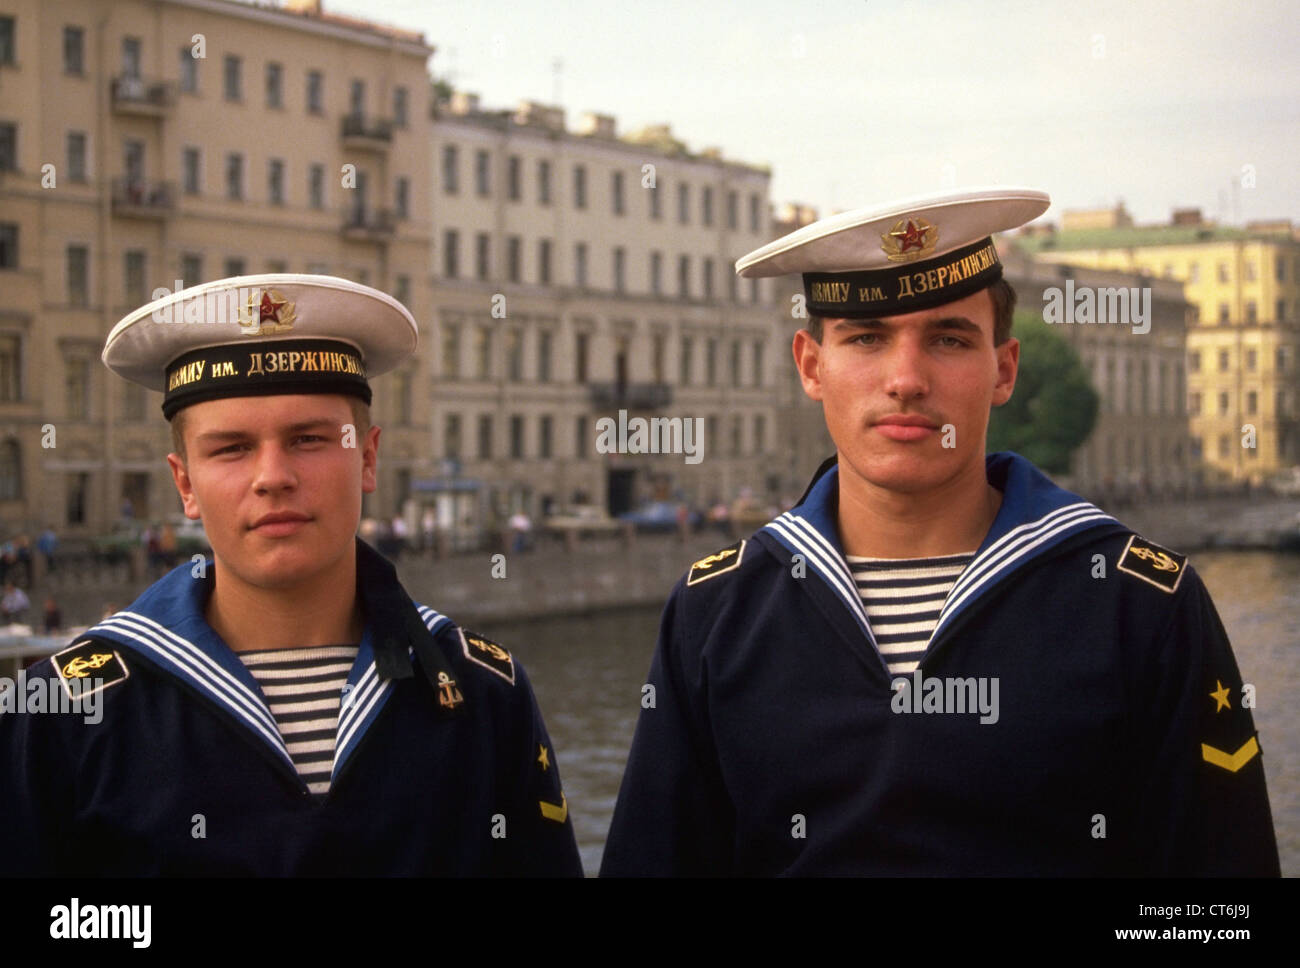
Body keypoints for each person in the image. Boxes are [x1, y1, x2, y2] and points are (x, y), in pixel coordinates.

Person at [600, 188, 1280, 876]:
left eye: (948, 339)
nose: (906, 380)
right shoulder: (716, 611)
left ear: (1003, 370)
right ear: (811, 366)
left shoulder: (1142, 605)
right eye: (867, 337)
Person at [0, 274, 581, 876]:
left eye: (308, 439)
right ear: (184, 484)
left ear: (368, 458)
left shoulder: (485, 697)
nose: (272, 476)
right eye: (231, 448)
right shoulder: (64, 716)